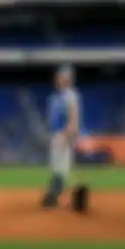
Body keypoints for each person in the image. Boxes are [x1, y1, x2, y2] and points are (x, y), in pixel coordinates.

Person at [42, 64, 83, 209]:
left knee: (62, 167)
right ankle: (55, 195)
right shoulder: (55, 97)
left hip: (63, 134)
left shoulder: (70, 95)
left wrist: (68, 135)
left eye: (62, 77)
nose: (58, 79)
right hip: (55, 134)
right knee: (56, 167)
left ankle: (54, 196)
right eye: (58, 77)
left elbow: (73, 117)